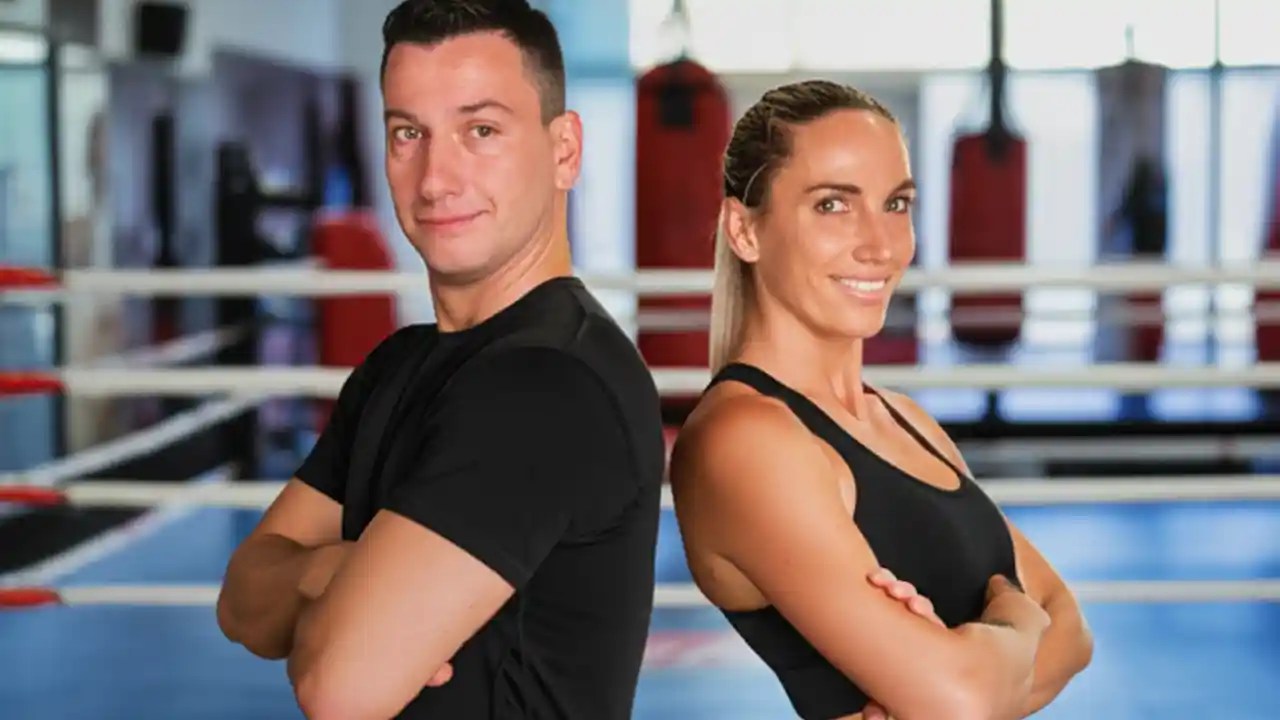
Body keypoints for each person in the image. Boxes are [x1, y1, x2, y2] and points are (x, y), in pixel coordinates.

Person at [214, 2, 666, 718]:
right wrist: (343, 572)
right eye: (408, 133)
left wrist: (323, 593)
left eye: (480, 130)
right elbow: (240, 602)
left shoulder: (550, 381)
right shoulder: (396, 366)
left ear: (564, 150)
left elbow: (339, 687)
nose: (434, 178)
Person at [668, 79, 1094, 720]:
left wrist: (976, 662)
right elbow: (968, 697)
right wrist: (1014, 617)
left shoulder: (904, 419)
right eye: (833, 205)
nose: (881, 244)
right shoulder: (745, 440)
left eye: (896, 204)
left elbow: (1074, 631)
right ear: (744, 230)